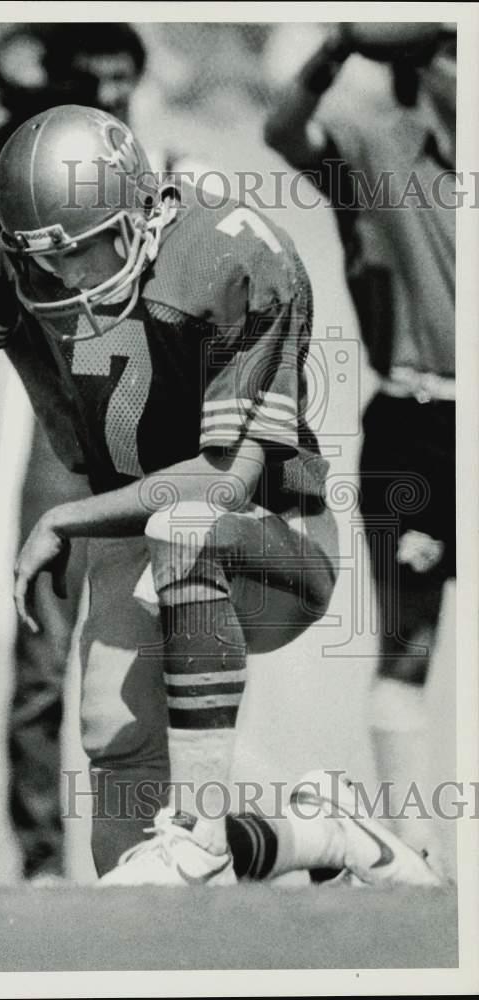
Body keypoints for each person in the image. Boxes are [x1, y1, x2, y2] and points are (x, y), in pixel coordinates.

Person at [0, 103, 441, 888]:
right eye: (44, 262)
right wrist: (90, 486)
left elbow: (226, 480)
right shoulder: (23, 257)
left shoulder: (237, 258)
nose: (65, 279)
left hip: (272, 543)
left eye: (82, 254)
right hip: (142, 509)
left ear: (143, 215)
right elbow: (31, 357)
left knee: (187, 529)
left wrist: (70, 515)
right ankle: (307, 838)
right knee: (111, 733)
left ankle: (199, 826)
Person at [264, 23, 456, 856]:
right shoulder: (380, 147)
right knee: (407, 652)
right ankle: (415, 860)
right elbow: (283, 132)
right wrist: (342, 45)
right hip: (422, 420)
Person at [0, 24, 149, 881]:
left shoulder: (159, 167)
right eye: (99, 76)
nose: (115, 91)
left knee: (163, 639)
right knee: (43, 643)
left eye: (127, 76)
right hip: (67, 438)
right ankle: (41, 858)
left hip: (150, 426)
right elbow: (4, 320)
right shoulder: (34, 163)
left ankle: (153, 850)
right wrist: (58, 420)